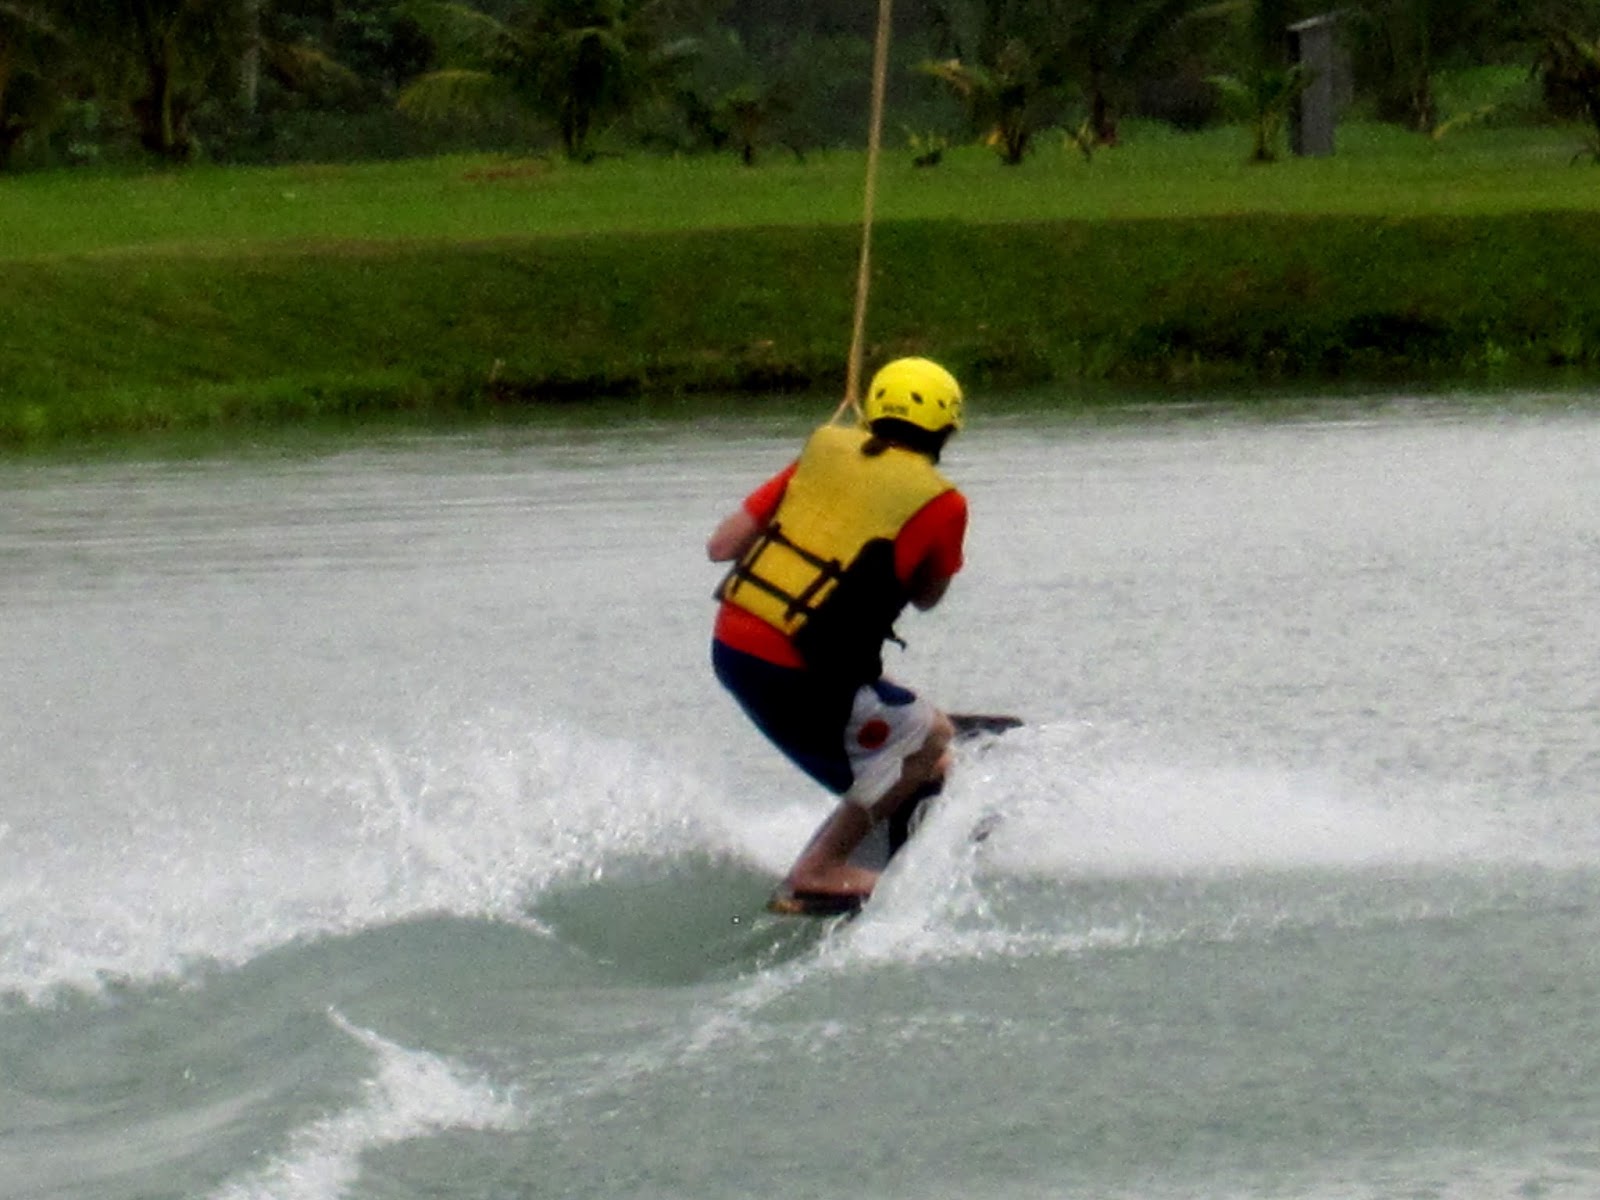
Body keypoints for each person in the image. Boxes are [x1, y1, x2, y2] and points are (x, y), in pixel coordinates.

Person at [706, 357, 969, 910]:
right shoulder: (942, 502)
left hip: (732, 648)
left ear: (872, 411)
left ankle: (884, 804)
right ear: (946, 430)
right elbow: (927, 598)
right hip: (794, 670)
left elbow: (722, 546)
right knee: (931, 737)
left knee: (906, 741)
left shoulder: (823, 451)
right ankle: (819, 871)